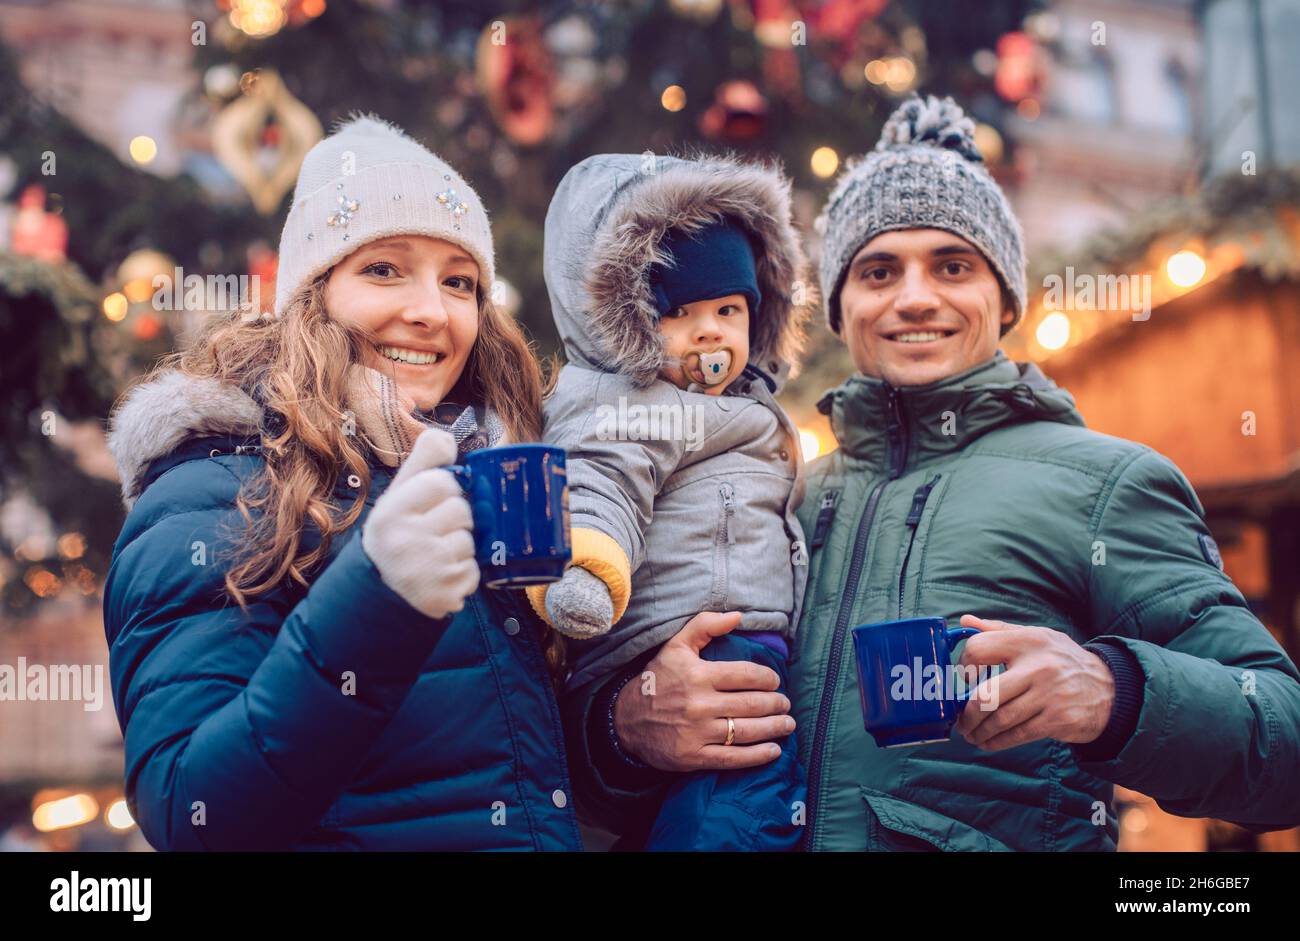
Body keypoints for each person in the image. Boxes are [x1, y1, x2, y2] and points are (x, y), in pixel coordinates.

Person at [566, 96, 1300, 850]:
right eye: (879, 270)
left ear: (1004, 297)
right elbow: (568, 779)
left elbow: (1284, 741)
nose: (916, 298)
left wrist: (1111, 691)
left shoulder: (1105, 484)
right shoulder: (778, 493)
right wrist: (624, 728)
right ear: (841, 307)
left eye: (953, 265)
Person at [102, 116, 581, 850]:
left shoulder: (493, 465)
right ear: (311, 295)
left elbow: (509, 765)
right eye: (384, 268)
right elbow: (191, 813)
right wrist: (380, 599)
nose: (430, 310)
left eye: (460, 281)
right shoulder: (211, 489)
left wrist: (624, 724)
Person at [530, 153, 810, 849]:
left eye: (729, 310)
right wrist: (589, 562)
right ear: (621, 324)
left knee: (717, 804)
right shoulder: (637, 408)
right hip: (699, 645)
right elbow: (602, 479)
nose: (711, 331)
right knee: (737, 806)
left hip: (737, 644)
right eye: (678, 313)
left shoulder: (743, 406)